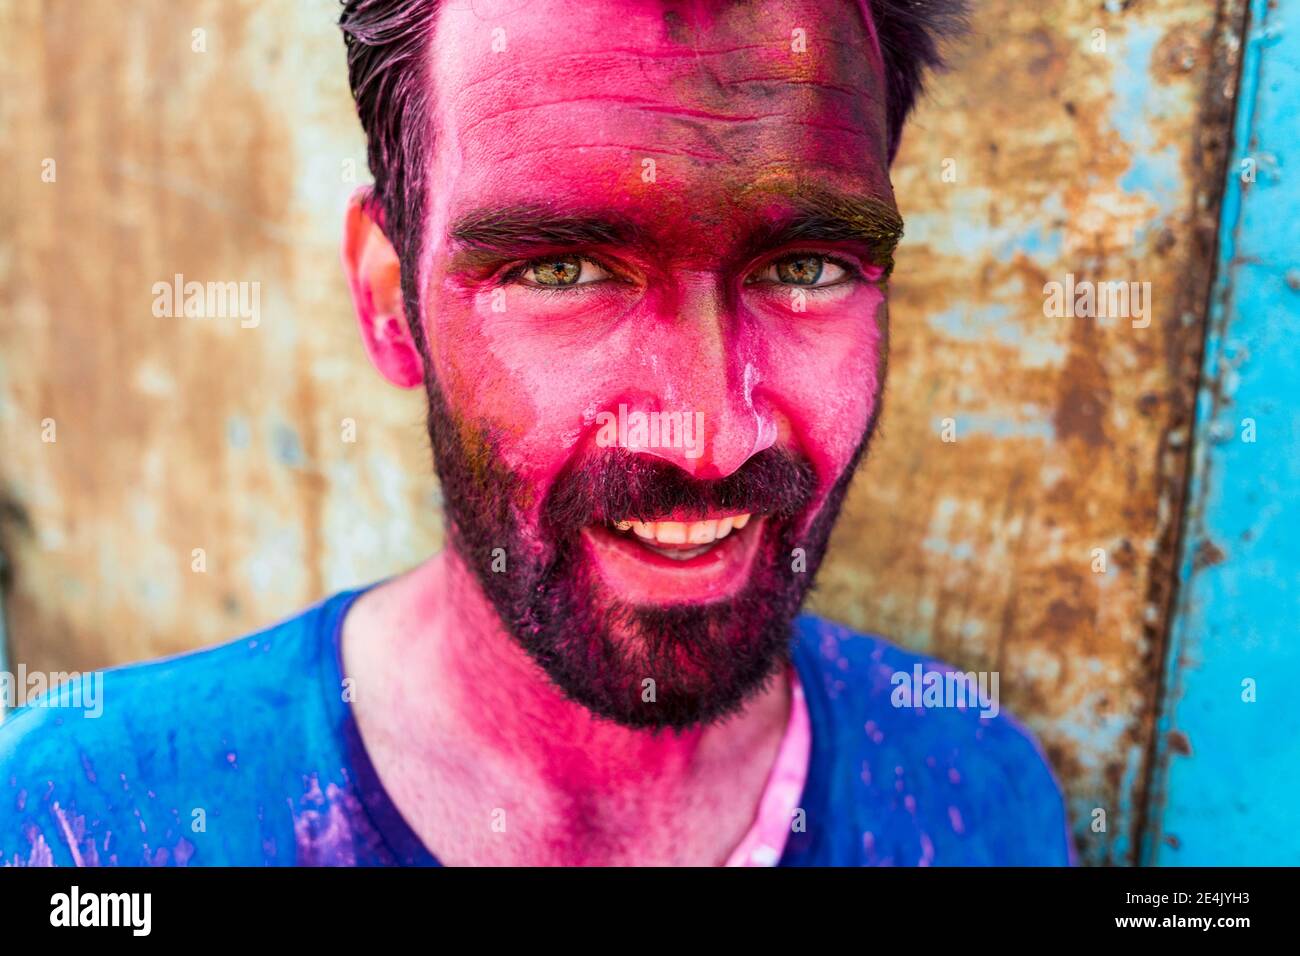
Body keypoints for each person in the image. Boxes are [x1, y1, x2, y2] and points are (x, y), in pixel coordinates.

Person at [0, 0, 1071, 866]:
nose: (705, 436)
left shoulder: (980, 797)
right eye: (559, 269)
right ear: (389, 301)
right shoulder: (89, 822)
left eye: (806, 266)